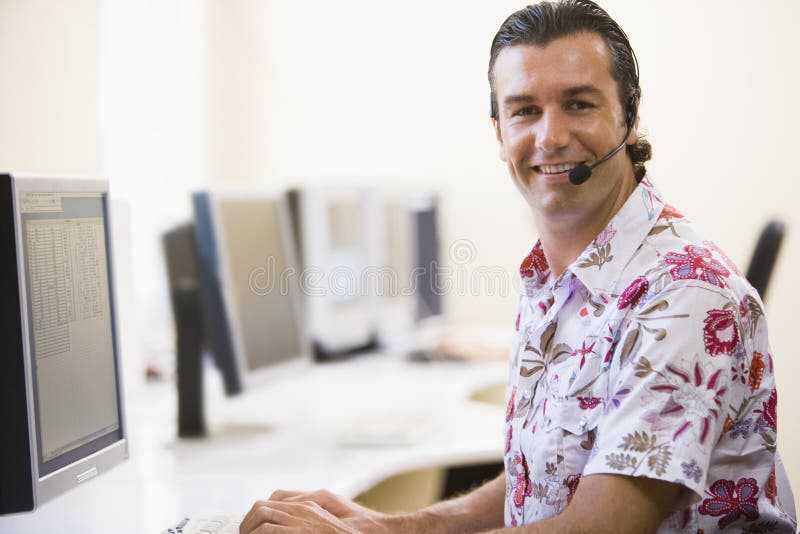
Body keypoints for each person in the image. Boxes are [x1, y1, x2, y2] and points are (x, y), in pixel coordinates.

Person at [239, 1, 797, 532]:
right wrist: (388, 526)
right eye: (525, 110)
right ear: (499, 133)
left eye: (579, 104)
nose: (550, 137)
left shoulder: (684, 294)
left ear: (628, 115)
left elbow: (603, 527)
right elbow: (552, 467)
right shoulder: (556, 275)